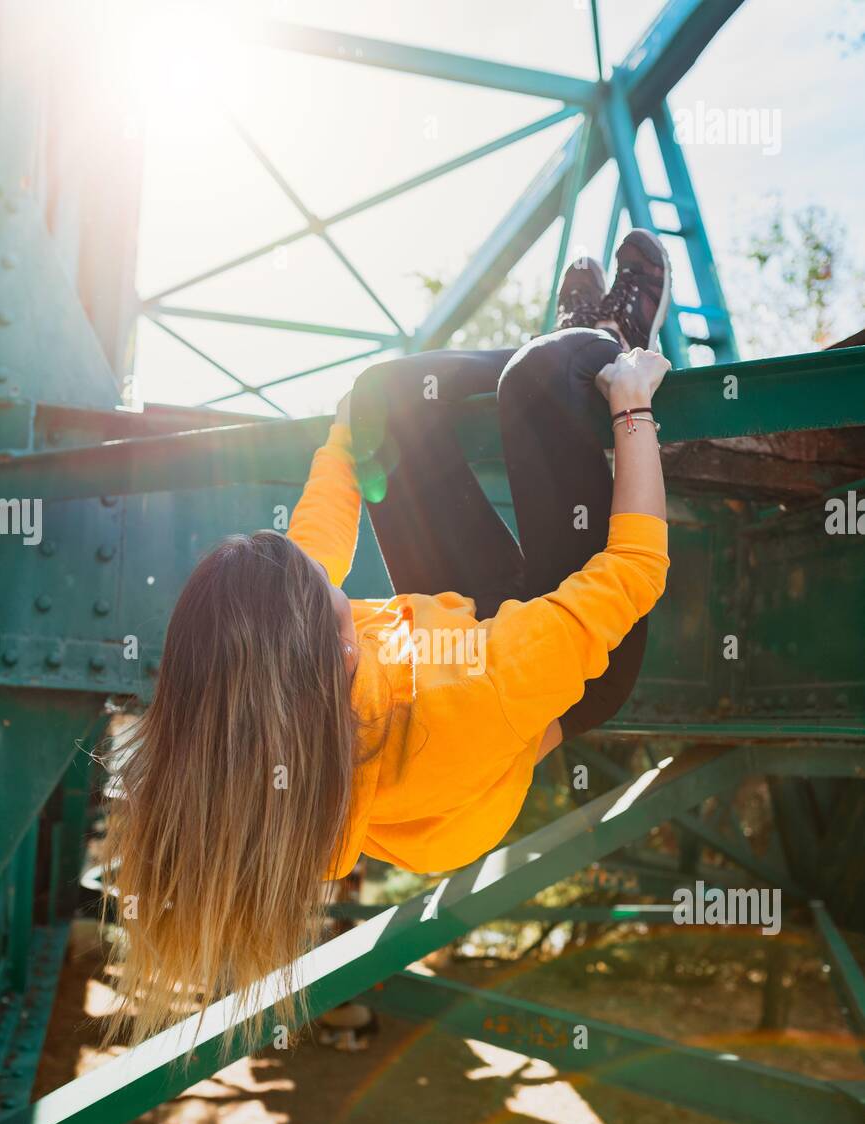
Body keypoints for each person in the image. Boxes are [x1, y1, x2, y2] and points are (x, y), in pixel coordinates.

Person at [101, 229, 673, 1049]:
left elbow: (318, 532)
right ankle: (606, 342)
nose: (326, 577)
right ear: (335, 653)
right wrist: (633, 404)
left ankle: (572, 332)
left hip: (459, 635)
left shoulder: (286, 689)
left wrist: (347, 427)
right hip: (567, 673)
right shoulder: (472, 687)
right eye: (324, 593)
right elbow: (634, 568)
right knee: (547, 384)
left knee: (379, 400)